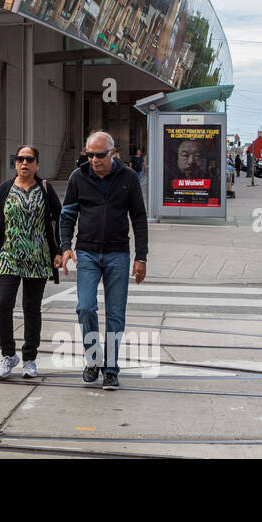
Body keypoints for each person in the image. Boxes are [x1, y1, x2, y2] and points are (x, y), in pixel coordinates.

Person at [58, 131, 147, 391]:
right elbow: (67, 216)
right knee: (85, 307)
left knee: (115, 315)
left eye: (99, 155)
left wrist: (141, 257)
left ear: (113, 153)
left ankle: (110, 369)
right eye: (90, 154)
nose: (94, 160)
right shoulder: (78, 177)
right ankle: (92, 359)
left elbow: (139, 219)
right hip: (86, 252)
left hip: (118, 254)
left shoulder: (128, 178)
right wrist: (65, 247)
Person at [0, 144, 62, 380]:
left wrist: (60, 250)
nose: (24, 163)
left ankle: (29, 359)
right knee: (3, 304)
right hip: (8, 257)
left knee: (31, 309)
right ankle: (8, 355)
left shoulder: (45, 189)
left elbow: (61, 217)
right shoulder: (4, 189)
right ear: (15, 163)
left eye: (29, 159)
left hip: (38, 258)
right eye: (20, 159)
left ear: (37, 164)